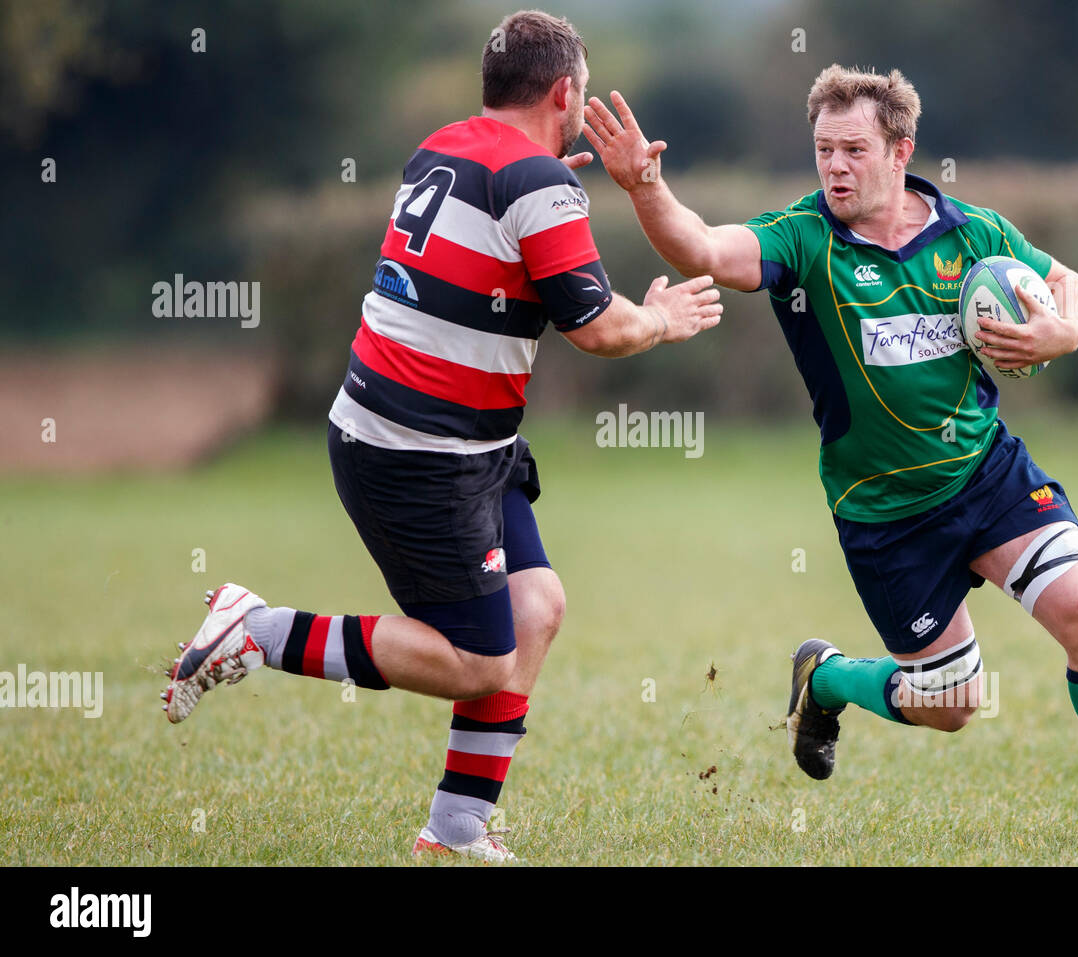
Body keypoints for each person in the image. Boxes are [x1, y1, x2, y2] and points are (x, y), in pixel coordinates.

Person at [158, 10, 722, 863]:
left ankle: (455, 831)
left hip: (456, 442)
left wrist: (552, 186)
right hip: (416, 453)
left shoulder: (447, 147)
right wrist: (663, 320)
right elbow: (599, 328)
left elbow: (489, 248)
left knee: (537, 608)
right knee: (478, 661)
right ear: (565, 92)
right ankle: (256, 629)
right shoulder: (536, 183)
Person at [582, 65, 1078, 839]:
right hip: (885, 512)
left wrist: (1061, 331)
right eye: (824, 150)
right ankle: (829, 678)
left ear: (901, 149)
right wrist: (644, 188)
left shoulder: (974, 233)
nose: (836, 167)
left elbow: (1073, 287)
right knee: (953, 706)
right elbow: (703, 247)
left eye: (854, 149)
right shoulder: (804, 239)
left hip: (987, 473)